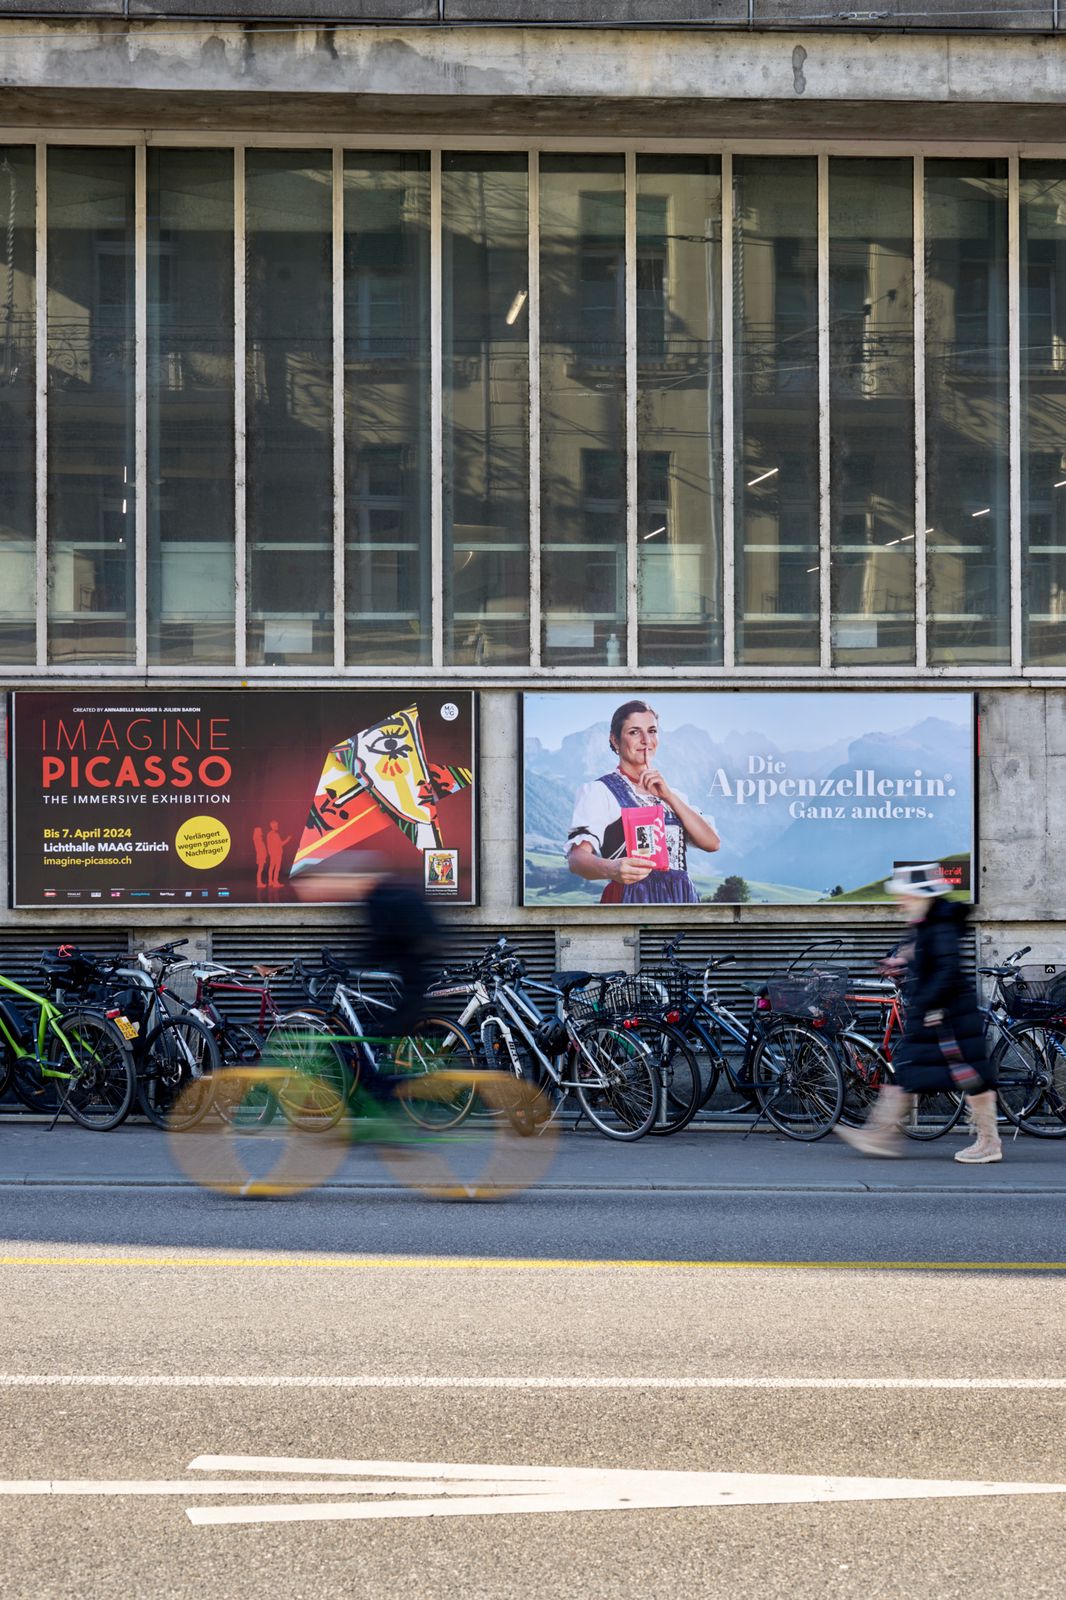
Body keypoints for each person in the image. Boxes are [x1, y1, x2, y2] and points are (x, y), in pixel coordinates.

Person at [836, 862, 1000, 1163]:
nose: (900, 900)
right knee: (911, 1072)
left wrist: (929, 1003)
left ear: (921, 895)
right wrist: (902, 964)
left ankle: (989, 1142)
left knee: (970, 1077)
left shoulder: (939, 924)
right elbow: (929, 958)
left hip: (945, 1016)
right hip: (937, 1012)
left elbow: (947, 969)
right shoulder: (929, 921)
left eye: (904, 894)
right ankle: (880, 1135)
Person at [566, 700, 720, 905]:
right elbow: (576, 860)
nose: (646, 740)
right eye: (634, 732)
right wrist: (612, 869)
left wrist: (669, 797)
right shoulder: (600, 791)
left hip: (682, 901)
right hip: (632, 899)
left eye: (652, 731)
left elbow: (712, 843)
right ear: (615, 740)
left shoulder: (673, 796)